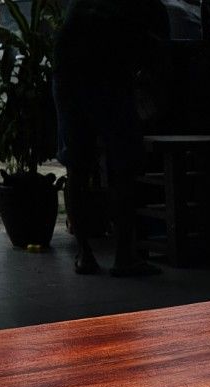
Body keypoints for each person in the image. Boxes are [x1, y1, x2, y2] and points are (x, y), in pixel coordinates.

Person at [52, 0, 169, 275]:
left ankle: (89, 254)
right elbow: (157, 58)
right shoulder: (147, 13)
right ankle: (120, 256)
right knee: (120, 167)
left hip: (76, 69)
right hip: (93, 72)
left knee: (80, 166)